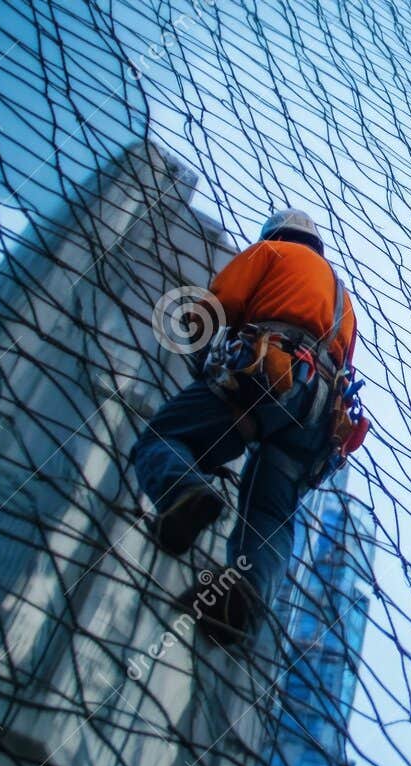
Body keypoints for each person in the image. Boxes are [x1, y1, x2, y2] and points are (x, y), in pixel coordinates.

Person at [131, 209, 362, 645]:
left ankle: (184, 493)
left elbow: (217, 308)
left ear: (275, 233)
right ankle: (246, 595)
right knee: (270, 513)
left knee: (164, 437)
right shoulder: (342, 297)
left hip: (270, 377)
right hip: (319, 420)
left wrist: (203, 364)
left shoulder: (269, 251)